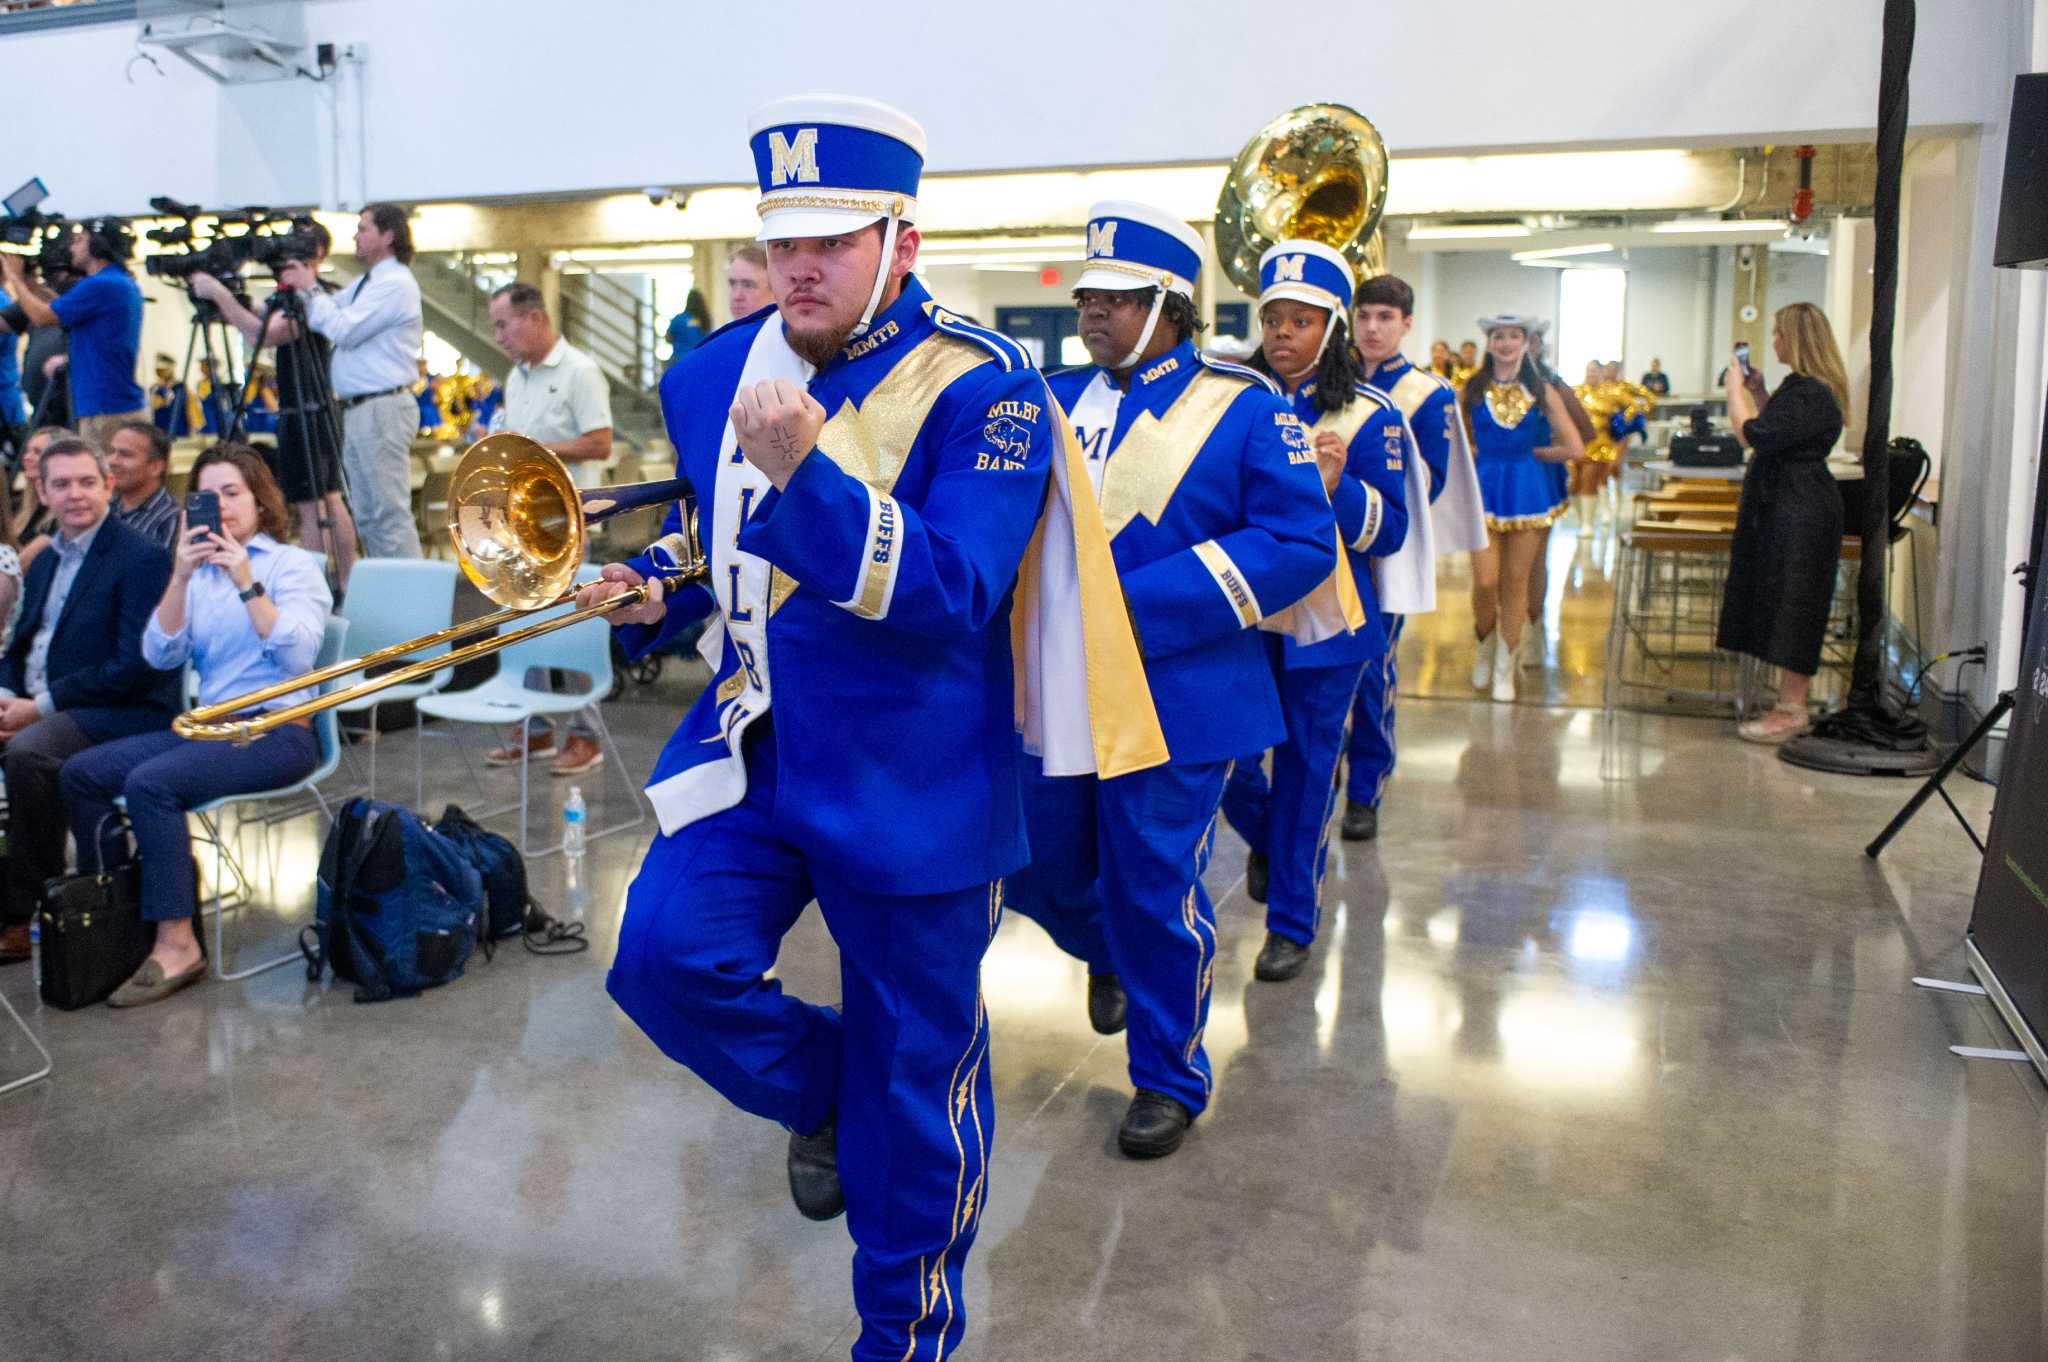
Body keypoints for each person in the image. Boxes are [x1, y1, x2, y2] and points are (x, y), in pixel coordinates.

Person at [588, 95, 1066, 1362]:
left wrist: (811, 476)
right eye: (783, 238)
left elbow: (957, 588)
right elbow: (720, 538)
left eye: (835, 240)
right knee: (662, 962)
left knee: (919, 1095)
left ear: (898, 241)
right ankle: (830, 1096)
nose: (801, 265)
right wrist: (659, 584)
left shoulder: (985, 389)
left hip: (914, 777)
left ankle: (904, 1339)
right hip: (754, 744)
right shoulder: (713, 373)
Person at [1009, 201, 1336, 1155]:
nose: (1093, 313)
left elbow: (1297, 542)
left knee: (1155, 885)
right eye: (1087, 297)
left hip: (1176, 694)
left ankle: (1168, 1074)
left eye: (1118, 298)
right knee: (1038, 869)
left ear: (1172, 306)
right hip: (1055, 690)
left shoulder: (1245, 409)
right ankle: (1108, 950)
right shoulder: (1049, 398)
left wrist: (1137, 609)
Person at [61, 443, 332, 1005]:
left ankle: (178, 942)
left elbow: (298, 658)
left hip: (278, 730)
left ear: (259, 499)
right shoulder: (197, 573)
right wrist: (181, 576)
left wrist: (244, 578)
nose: (221, 507)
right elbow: (160, 654)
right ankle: (120, 918)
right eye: (206, 497)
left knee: (151, 783)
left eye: (232, 493)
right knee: (81, 773)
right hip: (209, 727)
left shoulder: (291, 565)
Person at [1218, 240, 1411, 982]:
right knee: (1230, 757)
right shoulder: (1235, 402)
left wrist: (1337, 490)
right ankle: (1272, 840)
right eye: (1273, 320)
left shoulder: (1371, 413)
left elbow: (1390, 529)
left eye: (1300, 321)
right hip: (1245, 610)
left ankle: (1292, 921)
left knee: (1305, 771)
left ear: (1330, 328)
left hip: (1330, 627)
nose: (1282, 334)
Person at [0, 438, 178, 965]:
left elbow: (135, 665)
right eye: (61, 484)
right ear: (42, 491)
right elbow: (18, 643)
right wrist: (8, 695)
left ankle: (21, 912)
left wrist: (40, 707)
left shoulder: (140, 557)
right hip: (36, 701)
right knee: (25, 742)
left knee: (30, 753)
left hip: (124, 708)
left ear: (107, 485)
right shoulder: (49, 559)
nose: (75, 495)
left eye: (86, 482)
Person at [1341, 272, 1487, 842]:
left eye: (1385, 318)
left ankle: (1365, 790)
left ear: (1406, 324)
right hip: (1321, 551)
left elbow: (1428, 481)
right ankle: (1320, 778)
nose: (1373, 329)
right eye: (1364, 317)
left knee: (1373, 676)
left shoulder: (1429, 394)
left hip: (1380, 553)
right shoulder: (1330, 379)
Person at [484, 281, 615, 776]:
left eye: (503, 324)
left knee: (573, 626)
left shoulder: (580, 371)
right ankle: (533, 728)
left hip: (571, 521)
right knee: (524, 622)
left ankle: (585, 736)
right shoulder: (515, 377)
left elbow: (600, 444)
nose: (498, 336)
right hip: (526, 522)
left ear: (535, 318)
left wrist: (536, 451)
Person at [191, 220, 359, 585]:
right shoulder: (311, 296)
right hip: (312, 410)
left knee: (312, 504)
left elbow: (263, 334)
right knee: (328, 499)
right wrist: (234, 295)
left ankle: (322, 584)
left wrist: (219, 295)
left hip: (306, 411)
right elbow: (262, 314)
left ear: (315, 255)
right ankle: (346, 579)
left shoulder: (308, 297)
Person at [1717, 302, 1851, 743]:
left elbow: (1755, 435)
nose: (1772, 342)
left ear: (1795, 338)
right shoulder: (1801, 389)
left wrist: (1735, 391)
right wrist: (1759, 394)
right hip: (1788, 502)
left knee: (1795, 603)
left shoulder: (1813, 391)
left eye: (1777, 333)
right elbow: (1780, 428)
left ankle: (1791, 708)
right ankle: (1786, 703)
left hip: (1800, 509)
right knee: (1780, 598)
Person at [277, 204, 425, 560]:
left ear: (388, 236)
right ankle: (388, 596)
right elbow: (323, 313)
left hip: (382, 406)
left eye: (363, 228)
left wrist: (311, 288)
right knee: (369, 516)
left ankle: (411, 604)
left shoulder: (395, 283)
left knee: (388, 515)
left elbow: (343, 329)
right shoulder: (367, 282)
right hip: (361, 408)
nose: (356, 236)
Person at [1462, 316, 1583, 702]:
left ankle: (1505, 666)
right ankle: (1484, 644)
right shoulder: (1471, 387)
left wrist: (1535, 454)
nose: (1506, 343)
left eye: (1514, 336)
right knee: (1484, 580)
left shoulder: (1542, 390)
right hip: (1483, 489)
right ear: (1489, 342)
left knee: (1516, 581)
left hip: (1528, 490)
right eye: (1499, 336)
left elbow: (1575, 447)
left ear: (1526, 342)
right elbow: (1452, 438)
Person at [0, 220, 146, 449]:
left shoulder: (101, 285)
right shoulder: (114, 282)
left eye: (79, 241)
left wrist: (15, 278)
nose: (72, 248)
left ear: (97, 246)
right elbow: (61, 309)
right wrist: (30, 282)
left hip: (104, 410)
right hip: (108, 405)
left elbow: (42, 317)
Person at [105, 419, 180, 549]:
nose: (113, 461)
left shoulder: (171, 520)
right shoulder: (105, 510)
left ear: (156, 467)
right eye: (112, 452)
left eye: (125, 455)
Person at [11, 424, 66, 570]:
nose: (27, 457)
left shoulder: (65, 516)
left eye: (37, 452)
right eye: (27, 451)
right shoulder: (17, 505)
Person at [148, 353, 191, 437]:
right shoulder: (154, 388)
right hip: (159, 430)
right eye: (158, 370)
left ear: (171, 369)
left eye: (164, 370)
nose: (160, 373)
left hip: (178, 431)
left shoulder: (179, 387)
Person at [664, 288, 712, 364]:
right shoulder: (705, 320)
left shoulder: (679, 319)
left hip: (680, 360)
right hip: (700, 360)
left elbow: (667, 338)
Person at [727, 243, 771, 319]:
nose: (736, 296)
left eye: (748, 285)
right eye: (732, 284)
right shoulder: (727, 330)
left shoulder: (790, 330)